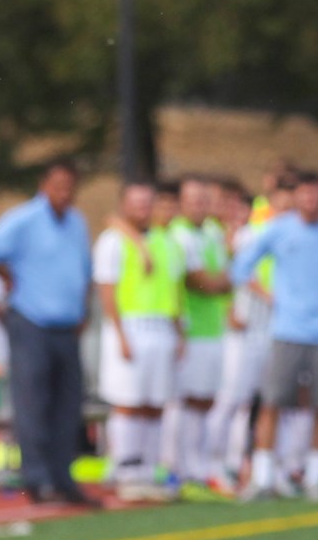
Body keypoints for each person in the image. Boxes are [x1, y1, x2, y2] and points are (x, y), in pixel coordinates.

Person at [0, 160, 98, 506]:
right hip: (32, 321)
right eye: (58, 186)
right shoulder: (25, 219)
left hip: (67, 326)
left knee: (68, 405)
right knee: (33, 403)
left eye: (70, 186)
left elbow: (85, 272)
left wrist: (83, 308)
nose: (64, 193)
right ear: (45, 185)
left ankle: (63, 477)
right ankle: (37, 479)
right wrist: (10, 278)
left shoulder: (77, 223)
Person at [230, 170, 318, 501]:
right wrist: (268, 295)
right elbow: (241, 267)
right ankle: (262, 477)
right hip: (286, 329)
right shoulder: (278, 230)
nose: (310, 201)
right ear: (296, 197)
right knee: (273, 402)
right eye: (304, 194)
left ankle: (315, 477)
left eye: (316, 195)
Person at [93, 180, 186, 502]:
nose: (143, 210)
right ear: (124, 205)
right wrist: (119, 335)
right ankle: (126, 467)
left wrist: (179, 332)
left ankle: (148, 469)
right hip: (131, 326)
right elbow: (107, 291)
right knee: (128, 401)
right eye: (137, 203)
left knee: (154, 402)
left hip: (161, 327)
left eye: (148, 203)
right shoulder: (112, 241)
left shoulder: (165, 241)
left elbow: (173, 290)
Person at [167, 174, 234, 497]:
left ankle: (200, 467)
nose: (199, 206)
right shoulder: (177, 234)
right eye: (193, 200)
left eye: (204, 200)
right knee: (186, 398)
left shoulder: (212, 232)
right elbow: (202, 282)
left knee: (206, 400)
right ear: (182, 203)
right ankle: (180, 468)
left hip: (214, 328)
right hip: (190, 330)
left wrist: (220, 281)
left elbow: (221, 277)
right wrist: (221, 281)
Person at [204, 179, 271, 492]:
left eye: (240, 206)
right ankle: (210, 463)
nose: (234, 212)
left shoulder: (255, 236)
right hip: (229, 330)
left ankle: (233, 464)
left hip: (257, 328)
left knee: (244, 402)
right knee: (228, 399)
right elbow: (234, 277)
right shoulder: (212, 236)